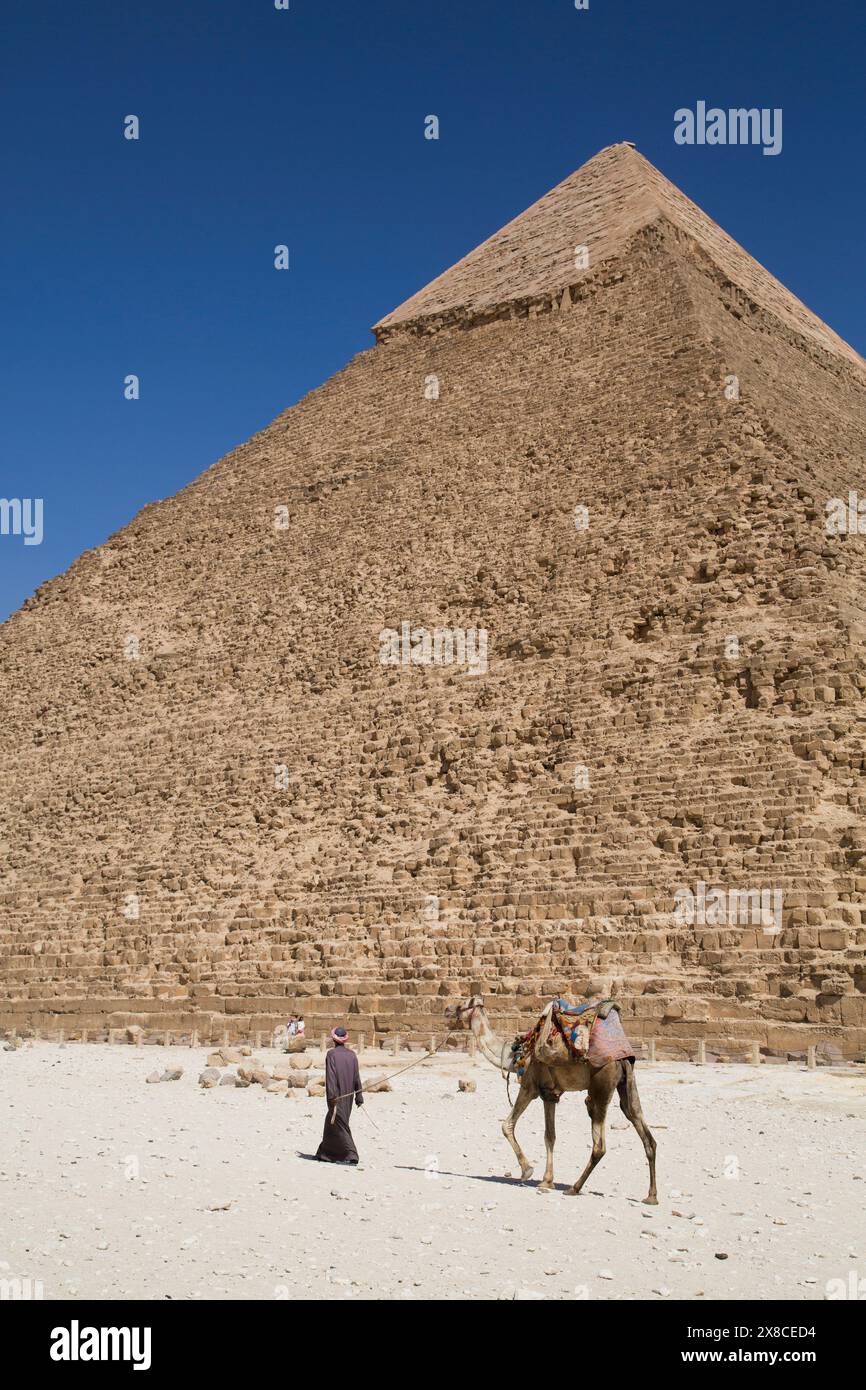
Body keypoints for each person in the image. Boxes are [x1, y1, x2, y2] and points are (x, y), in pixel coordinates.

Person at [315, 1027, 363, 1165]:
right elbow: (357, 1077)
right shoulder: (352, 1055)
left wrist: (332, 1097)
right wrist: (359, 1096)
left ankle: (351, 1155)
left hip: (337, 1097)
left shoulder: (331, 1054)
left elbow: (331, 1076)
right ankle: (325, 1153)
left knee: (340, 1125)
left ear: (333, 1039)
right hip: (348, 1096)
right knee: (330, 1124)